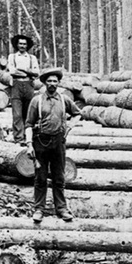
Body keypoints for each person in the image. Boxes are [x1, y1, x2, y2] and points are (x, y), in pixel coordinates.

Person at [25, 68, 81, 223]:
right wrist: (29, 144)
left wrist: (69, 126)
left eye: (55, 81)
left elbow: (77, 114)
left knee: (59, 177)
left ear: (58, 83)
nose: (52, 84)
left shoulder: (64, 100)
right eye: (49, 81)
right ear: (44, 83)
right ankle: (39, 209)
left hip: (58, 143)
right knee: (40, 177)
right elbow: (28, 124)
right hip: (40, 142)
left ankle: (61, 208)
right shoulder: (37, 100)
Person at [7, 34, 40, 144]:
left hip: (29, 85)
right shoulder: (12, 57)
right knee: (17, 114)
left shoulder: (32, 58)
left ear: (27, 45)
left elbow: (37, 72)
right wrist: (28, 72)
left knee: (29, 112)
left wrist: (23, 70)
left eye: (24, 44)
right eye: (20, 44)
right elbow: (12, 71)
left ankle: (28, 137)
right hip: (16, 85)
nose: (22, 46)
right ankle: (18, 138)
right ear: (17, 45)